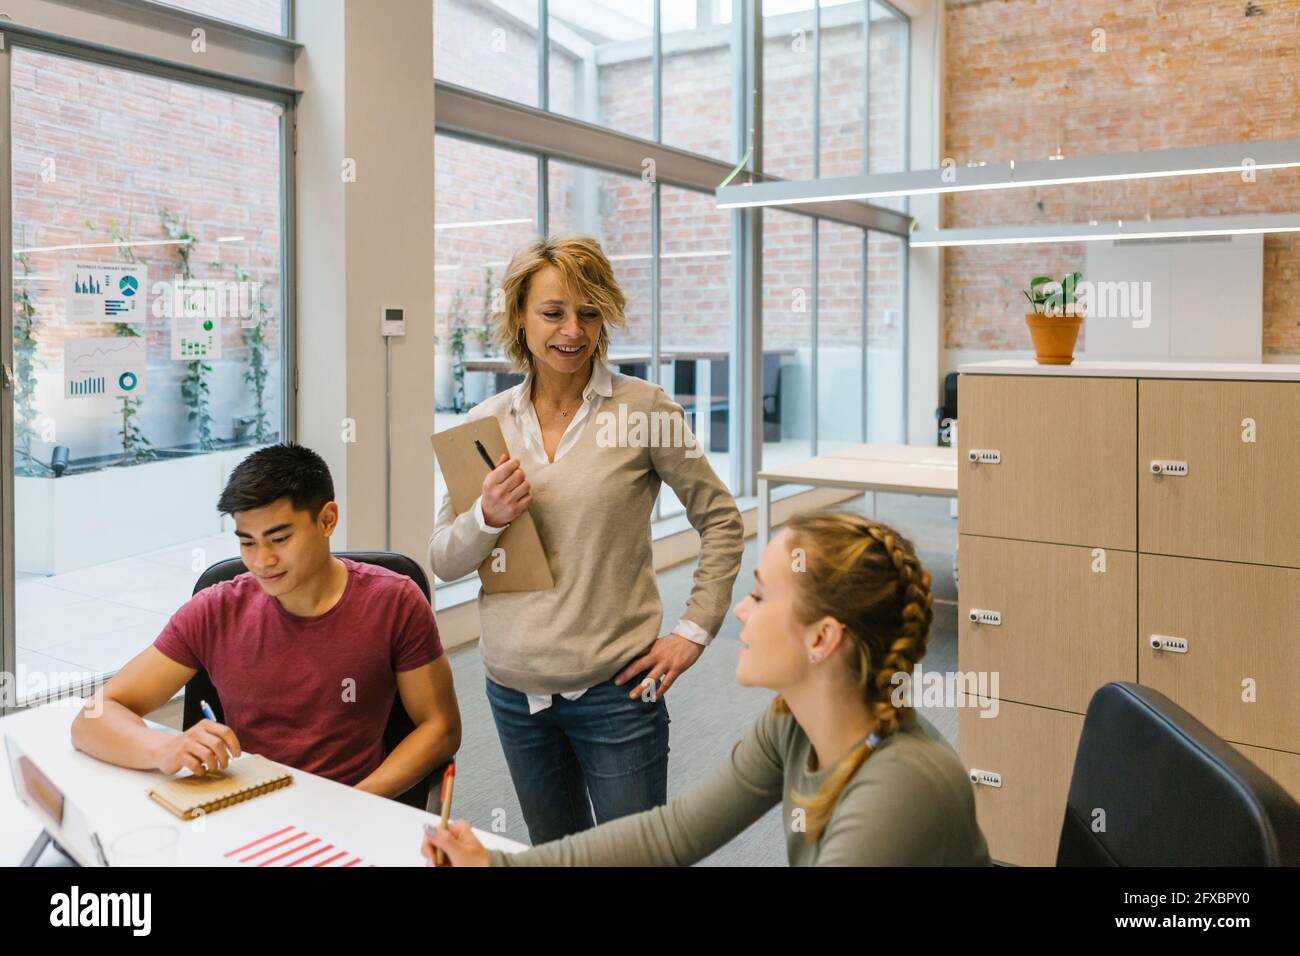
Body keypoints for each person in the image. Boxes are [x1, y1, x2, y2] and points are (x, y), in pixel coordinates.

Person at [422, 512, 990, 866]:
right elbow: (674, 834)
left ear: (822, 638)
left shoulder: (897, 791)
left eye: (761, 596)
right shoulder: (793, 724)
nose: (741, 610)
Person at [429, 234, 744, 844]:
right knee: (555, 854)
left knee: (633, 858)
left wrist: (693, 631)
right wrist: (486, 517)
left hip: (617, 692)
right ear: (519, 316)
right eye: (553, 312)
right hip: (514, 692)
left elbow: (721, 519)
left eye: (589, 312)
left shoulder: (645, 409)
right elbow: (443, 560)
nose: (573, 330)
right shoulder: (483, 424)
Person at [71, 442, 460, 800]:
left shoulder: (393, 601)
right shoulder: (217, 609)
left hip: (351, 806)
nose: (262, 561)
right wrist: (165, 748)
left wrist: (356, 800)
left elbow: (440, 727)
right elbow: (93, 718)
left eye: (279, 538)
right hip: (245, 806)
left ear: (327, 520)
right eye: (247, 542)